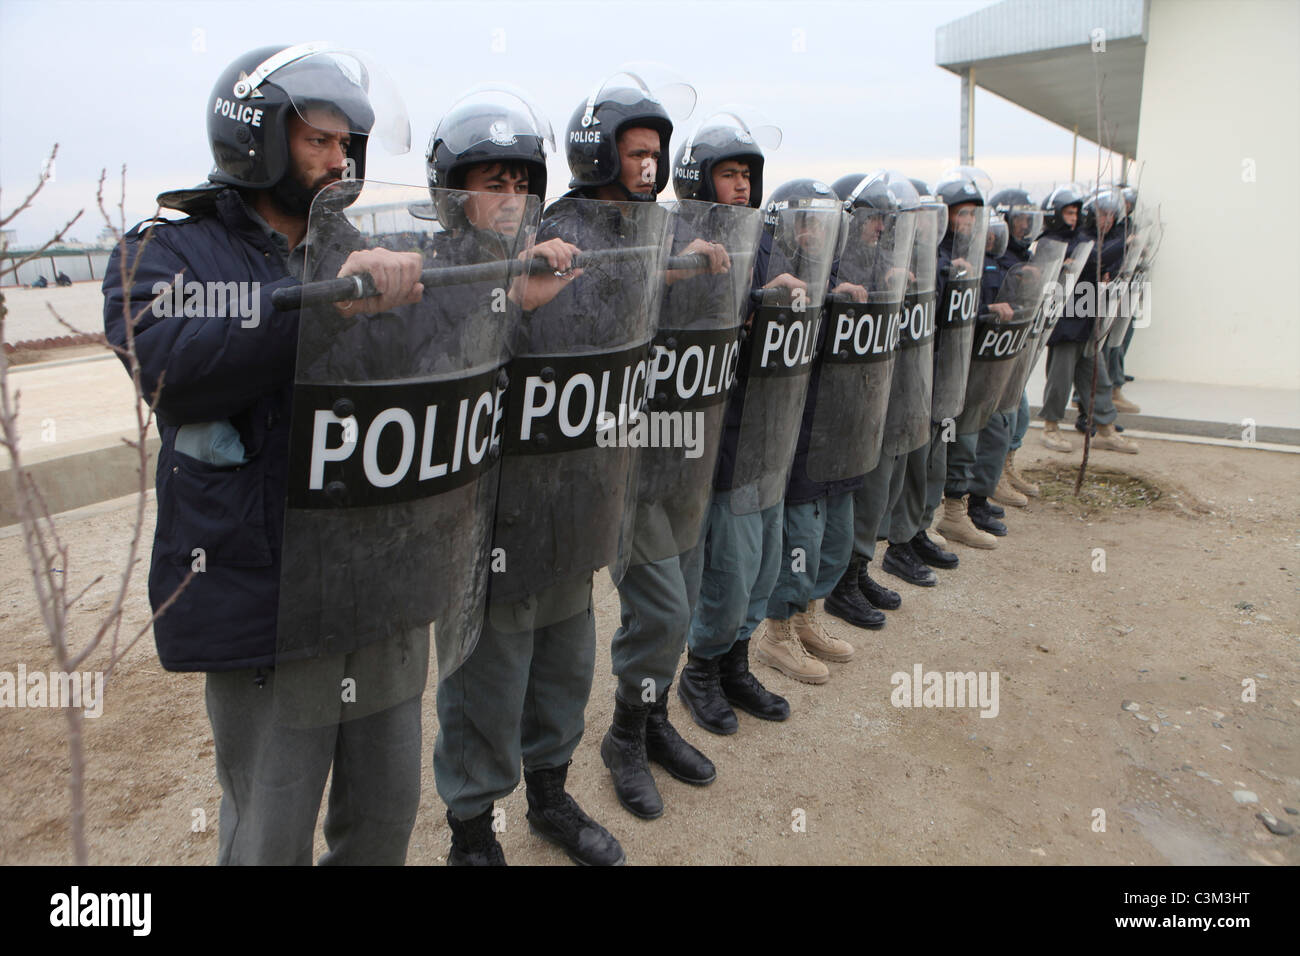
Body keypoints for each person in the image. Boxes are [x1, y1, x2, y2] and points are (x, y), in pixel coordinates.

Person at [102, 44, 426, 865]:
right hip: (265, 595)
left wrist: (510, 304)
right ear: (256, 135)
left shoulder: (360, 250)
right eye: (320, 137)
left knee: (386, 815)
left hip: (378, 582)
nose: (340, 156)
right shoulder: (168, 251)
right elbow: (170, 362)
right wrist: (326, 306)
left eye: (347, 141)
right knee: (269, 831)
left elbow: (438, 363)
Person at [596, 111, 769, 820]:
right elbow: (596, 304)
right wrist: (667, 266)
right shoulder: (633, 230)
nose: (646, 166)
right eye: (635, 154)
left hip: (687, 462)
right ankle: (623, 737)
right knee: (661, 611)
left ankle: (655, 715)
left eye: (653, 155)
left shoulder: (716, 238)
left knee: (684, 599)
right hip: (631, 463)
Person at [678, 178, 835, 727]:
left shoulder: (791, 255)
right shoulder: (694, 242)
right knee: (730, 564)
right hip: (729, 436)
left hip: (772, 435)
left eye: (749, 171)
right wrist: (755, 301)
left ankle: (736, 665)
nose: (741, 183)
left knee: (766, 558)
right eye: (729, 171)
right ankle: (700, 670)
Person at [1040, 186, 1138, 454]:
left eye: (1075, 212)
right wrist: (1125, 244)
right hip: (1065, 324)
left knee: (1097, 379)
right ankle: (1051, 427)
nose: (1072, 218)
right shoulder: (1058, 240)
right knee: (1059, 380)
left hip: (1086, 323)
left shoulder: (1080, 237)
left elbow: (1097, 263)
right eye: (1067, 213)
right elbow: (1095, 257)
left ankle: (1105, 429)